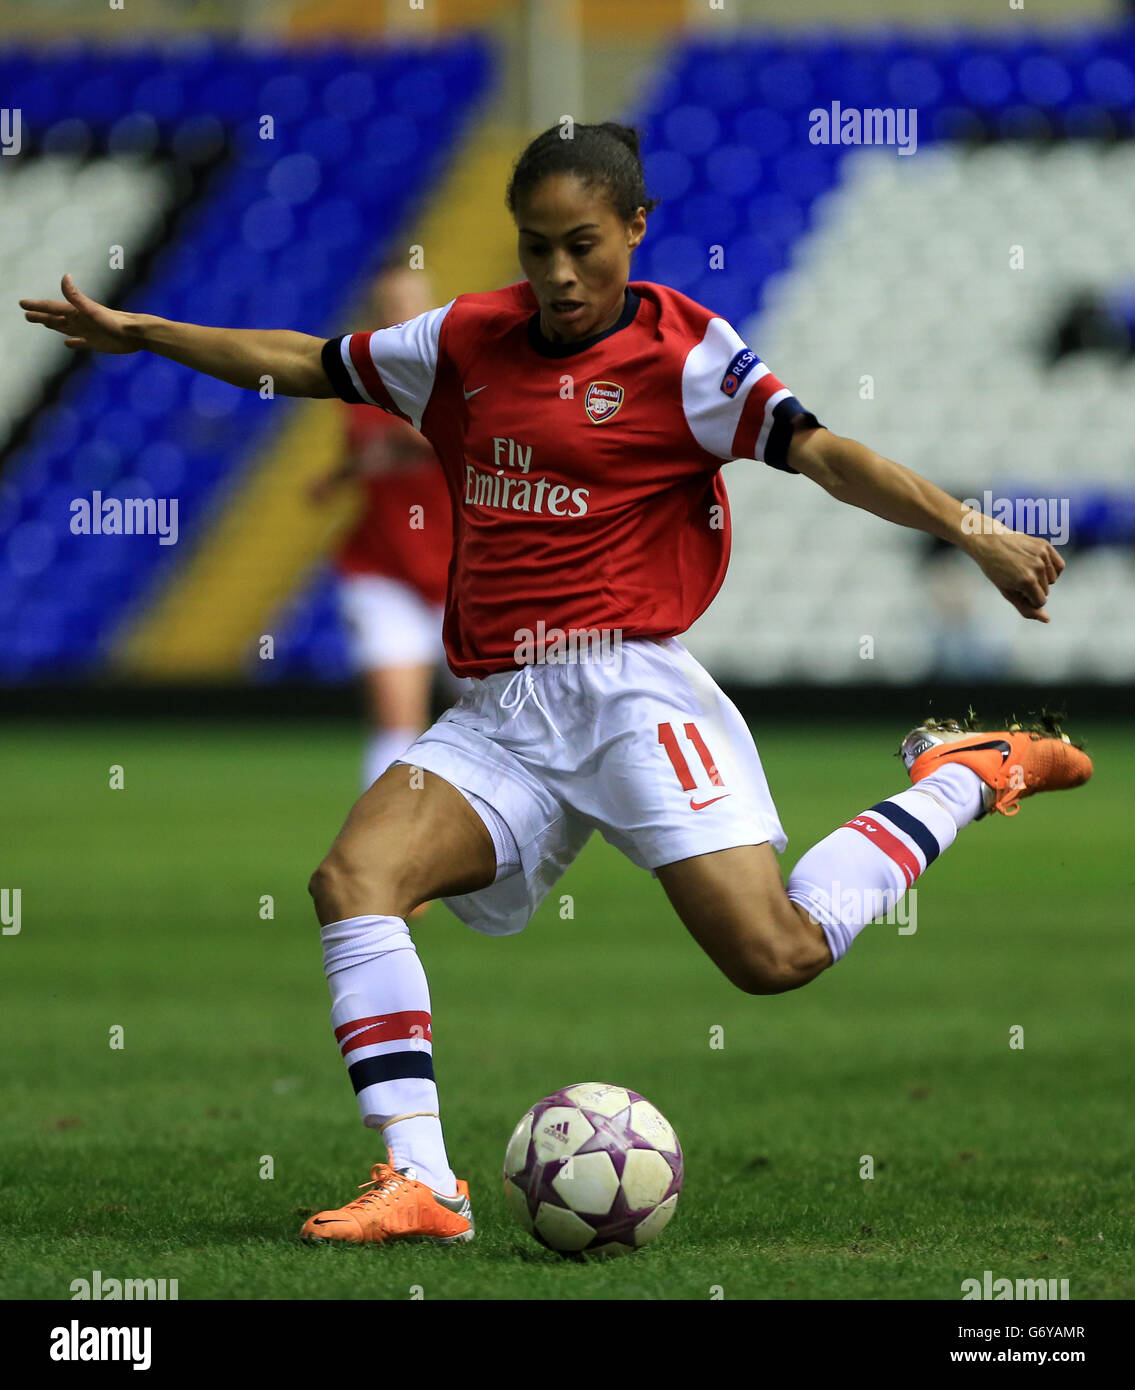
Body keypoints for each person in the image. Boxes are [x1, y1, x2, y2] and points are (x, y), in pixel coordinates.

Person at [20, 121, 1092, 1250]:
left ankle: (963, 774)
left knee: (774, 955)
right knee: (354, 879)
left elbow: (822, 452)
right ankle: (422, 1182)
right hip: (497, 713)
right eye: (535, 248)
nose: (558, 274)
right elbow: (304, 361)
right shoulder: (466, 340)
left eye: (582, 244)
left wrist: (972, 530)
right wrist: (145, 331)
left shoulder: (688, 354)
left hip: (629, 693)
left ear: (636, 228)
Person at [308, 266, 458, 795]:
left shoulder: (465, 378)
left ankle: (486, 851)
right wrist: (338, 478)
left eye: (411, 303)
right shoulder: (365, 386)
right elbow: (386, 447)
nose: (402, 316)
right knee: (398, 723)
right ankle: (384, 852)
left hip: (468, 575)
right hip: (385, 570)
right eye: (390, 305)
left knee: (499, 727)